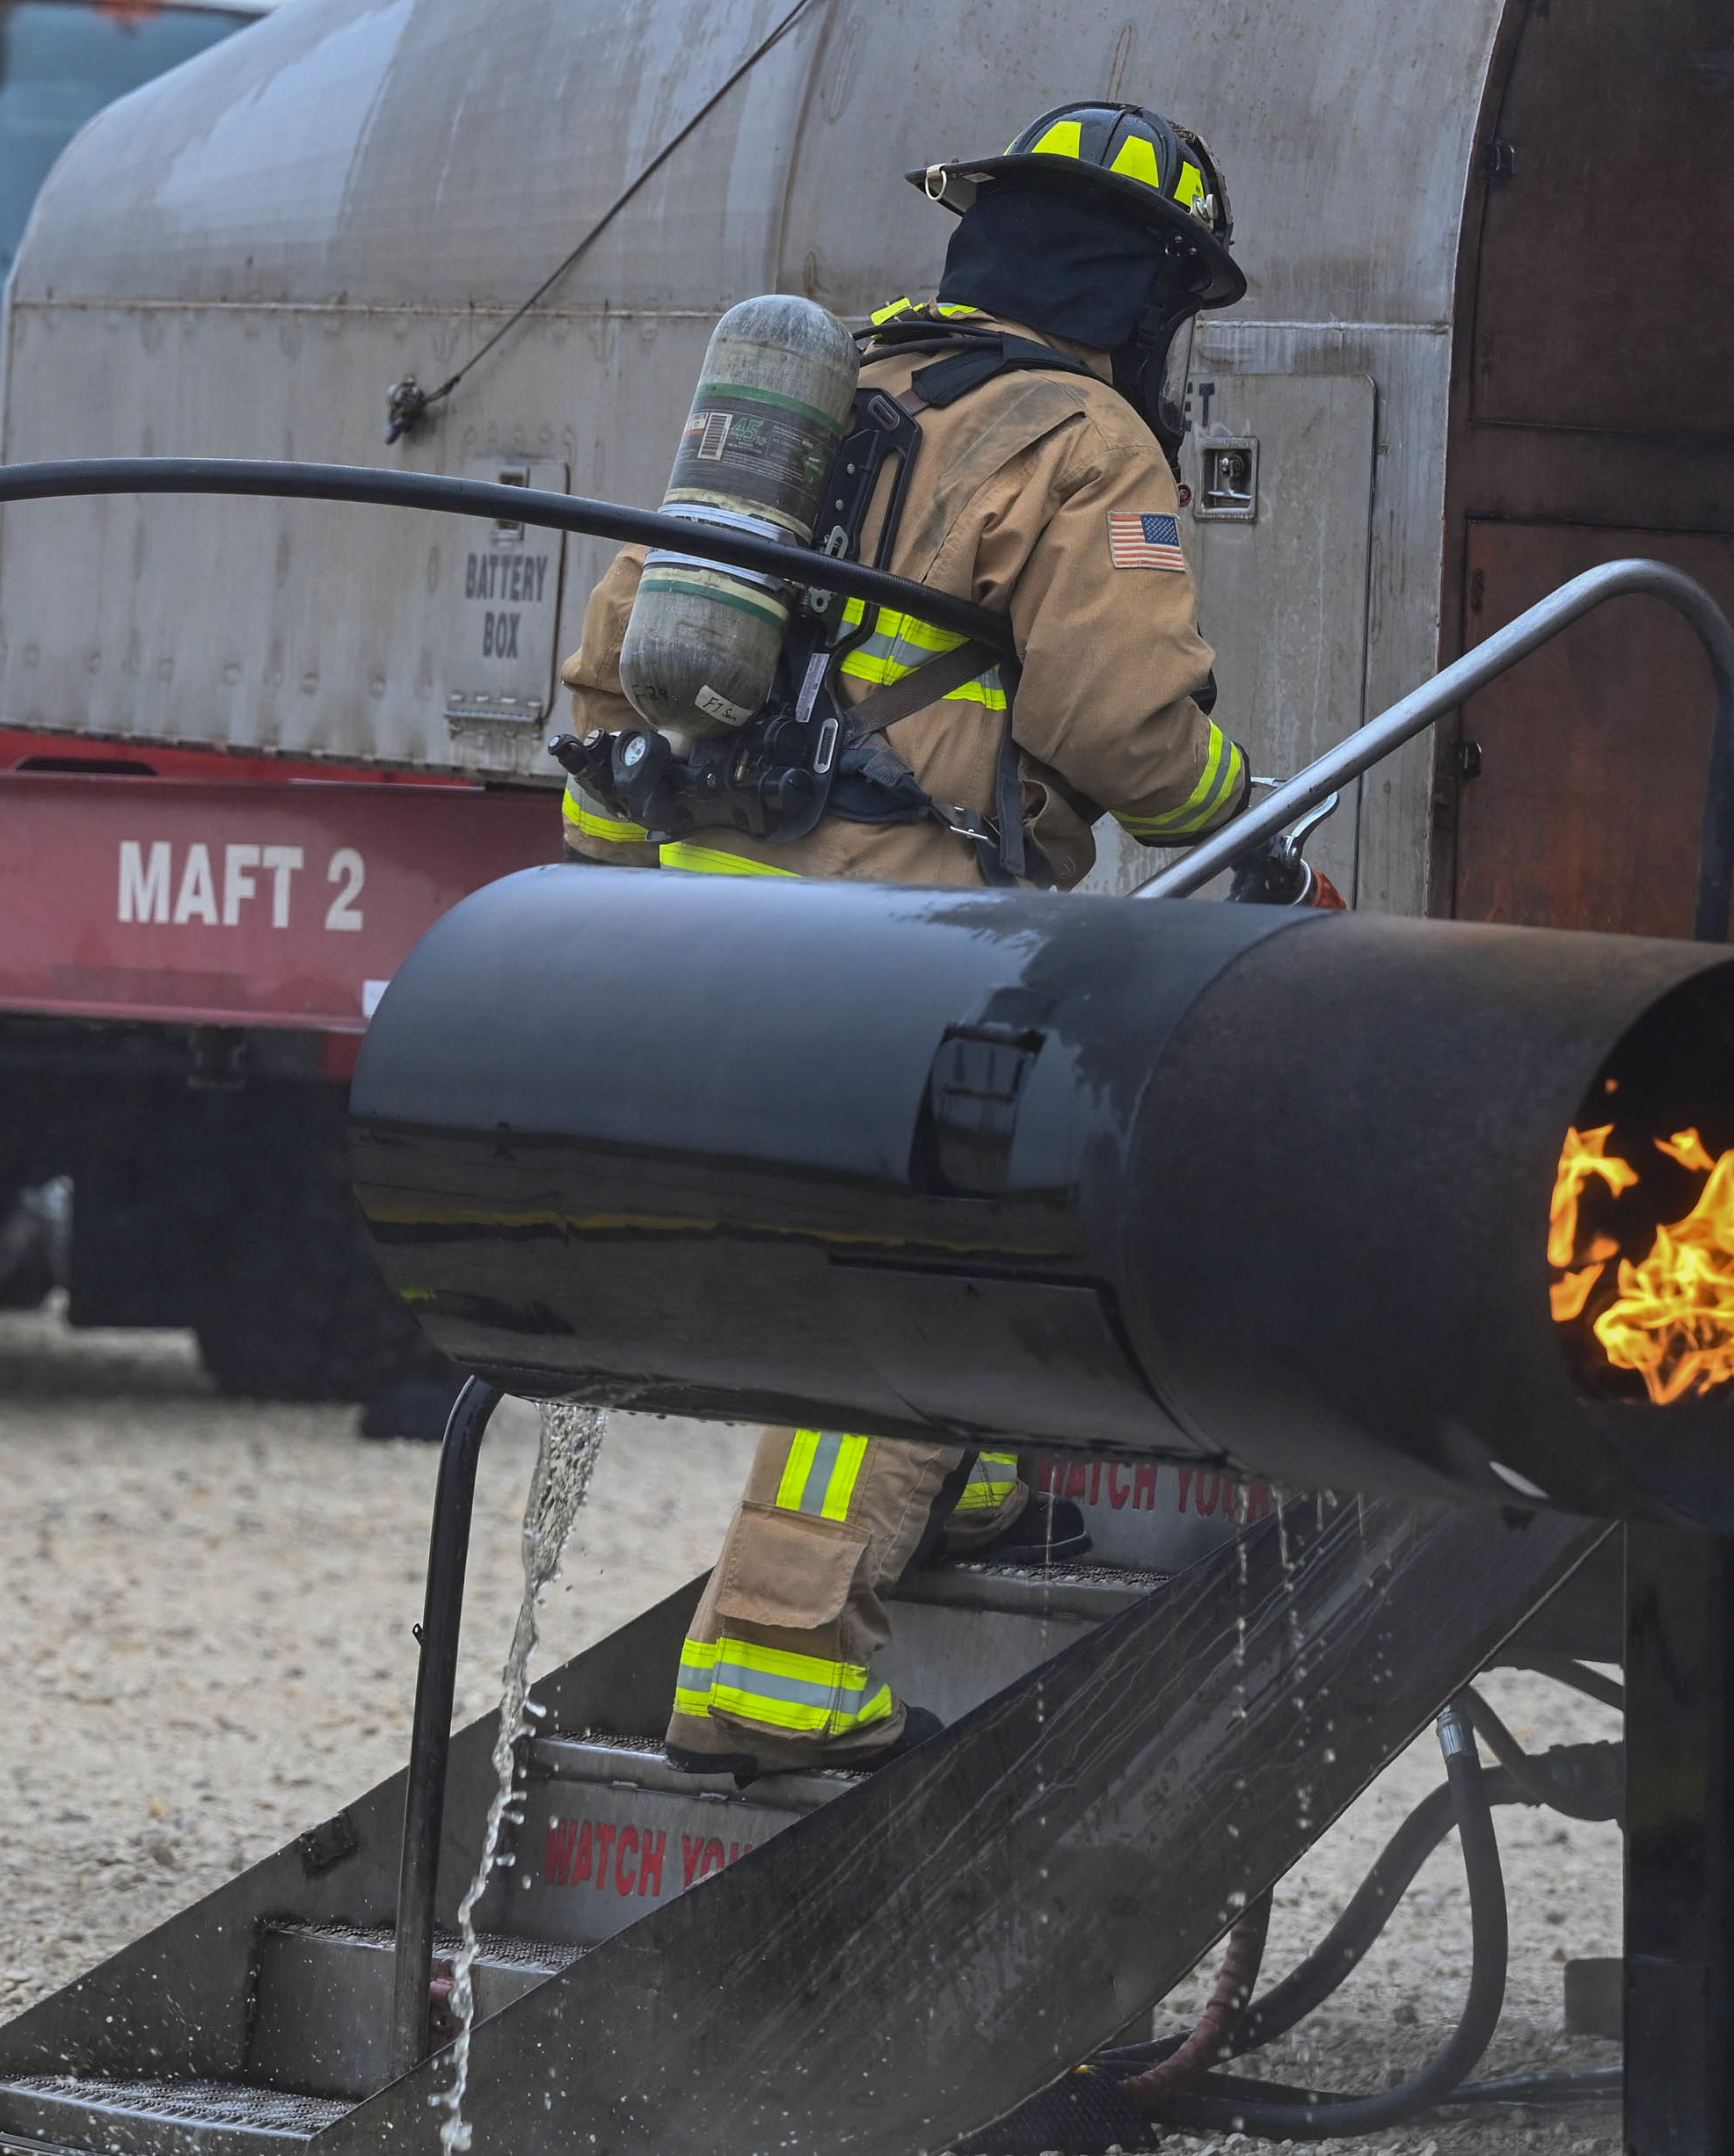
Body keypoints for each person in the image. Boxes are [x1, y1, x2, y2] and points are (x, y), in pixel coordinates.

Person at [557, 101, 1320, 1778]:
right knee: (902, 1289)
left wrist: (622, 879)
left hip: (698, 919)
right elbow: (1122, 730)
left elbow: (618, 651)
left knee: (949, 1246)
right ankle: (778, 1665)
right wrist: (1244, 808)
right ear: (1143, 297)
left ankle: (965, 1478)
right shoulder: (1080, 436)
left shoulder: (816, 398)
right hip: (902, 938)